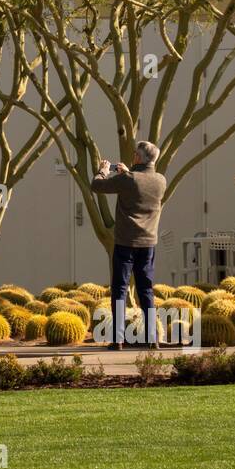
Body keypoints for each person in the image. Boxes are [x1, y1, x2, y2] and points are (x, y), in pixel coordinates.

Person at [90, 141, 167, 351]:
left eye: (135, 154)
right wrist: (128, 172)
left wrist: (103, 171)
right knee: (146, 290)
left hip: (126, 242)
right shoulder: (160, 181)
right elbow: (139, 185)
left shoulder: (128, 179)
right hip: (148, 242)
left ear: (139, 158)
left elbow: (96, 186)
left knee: (120, 289)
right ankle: (153, 337)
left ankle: (118, 339)